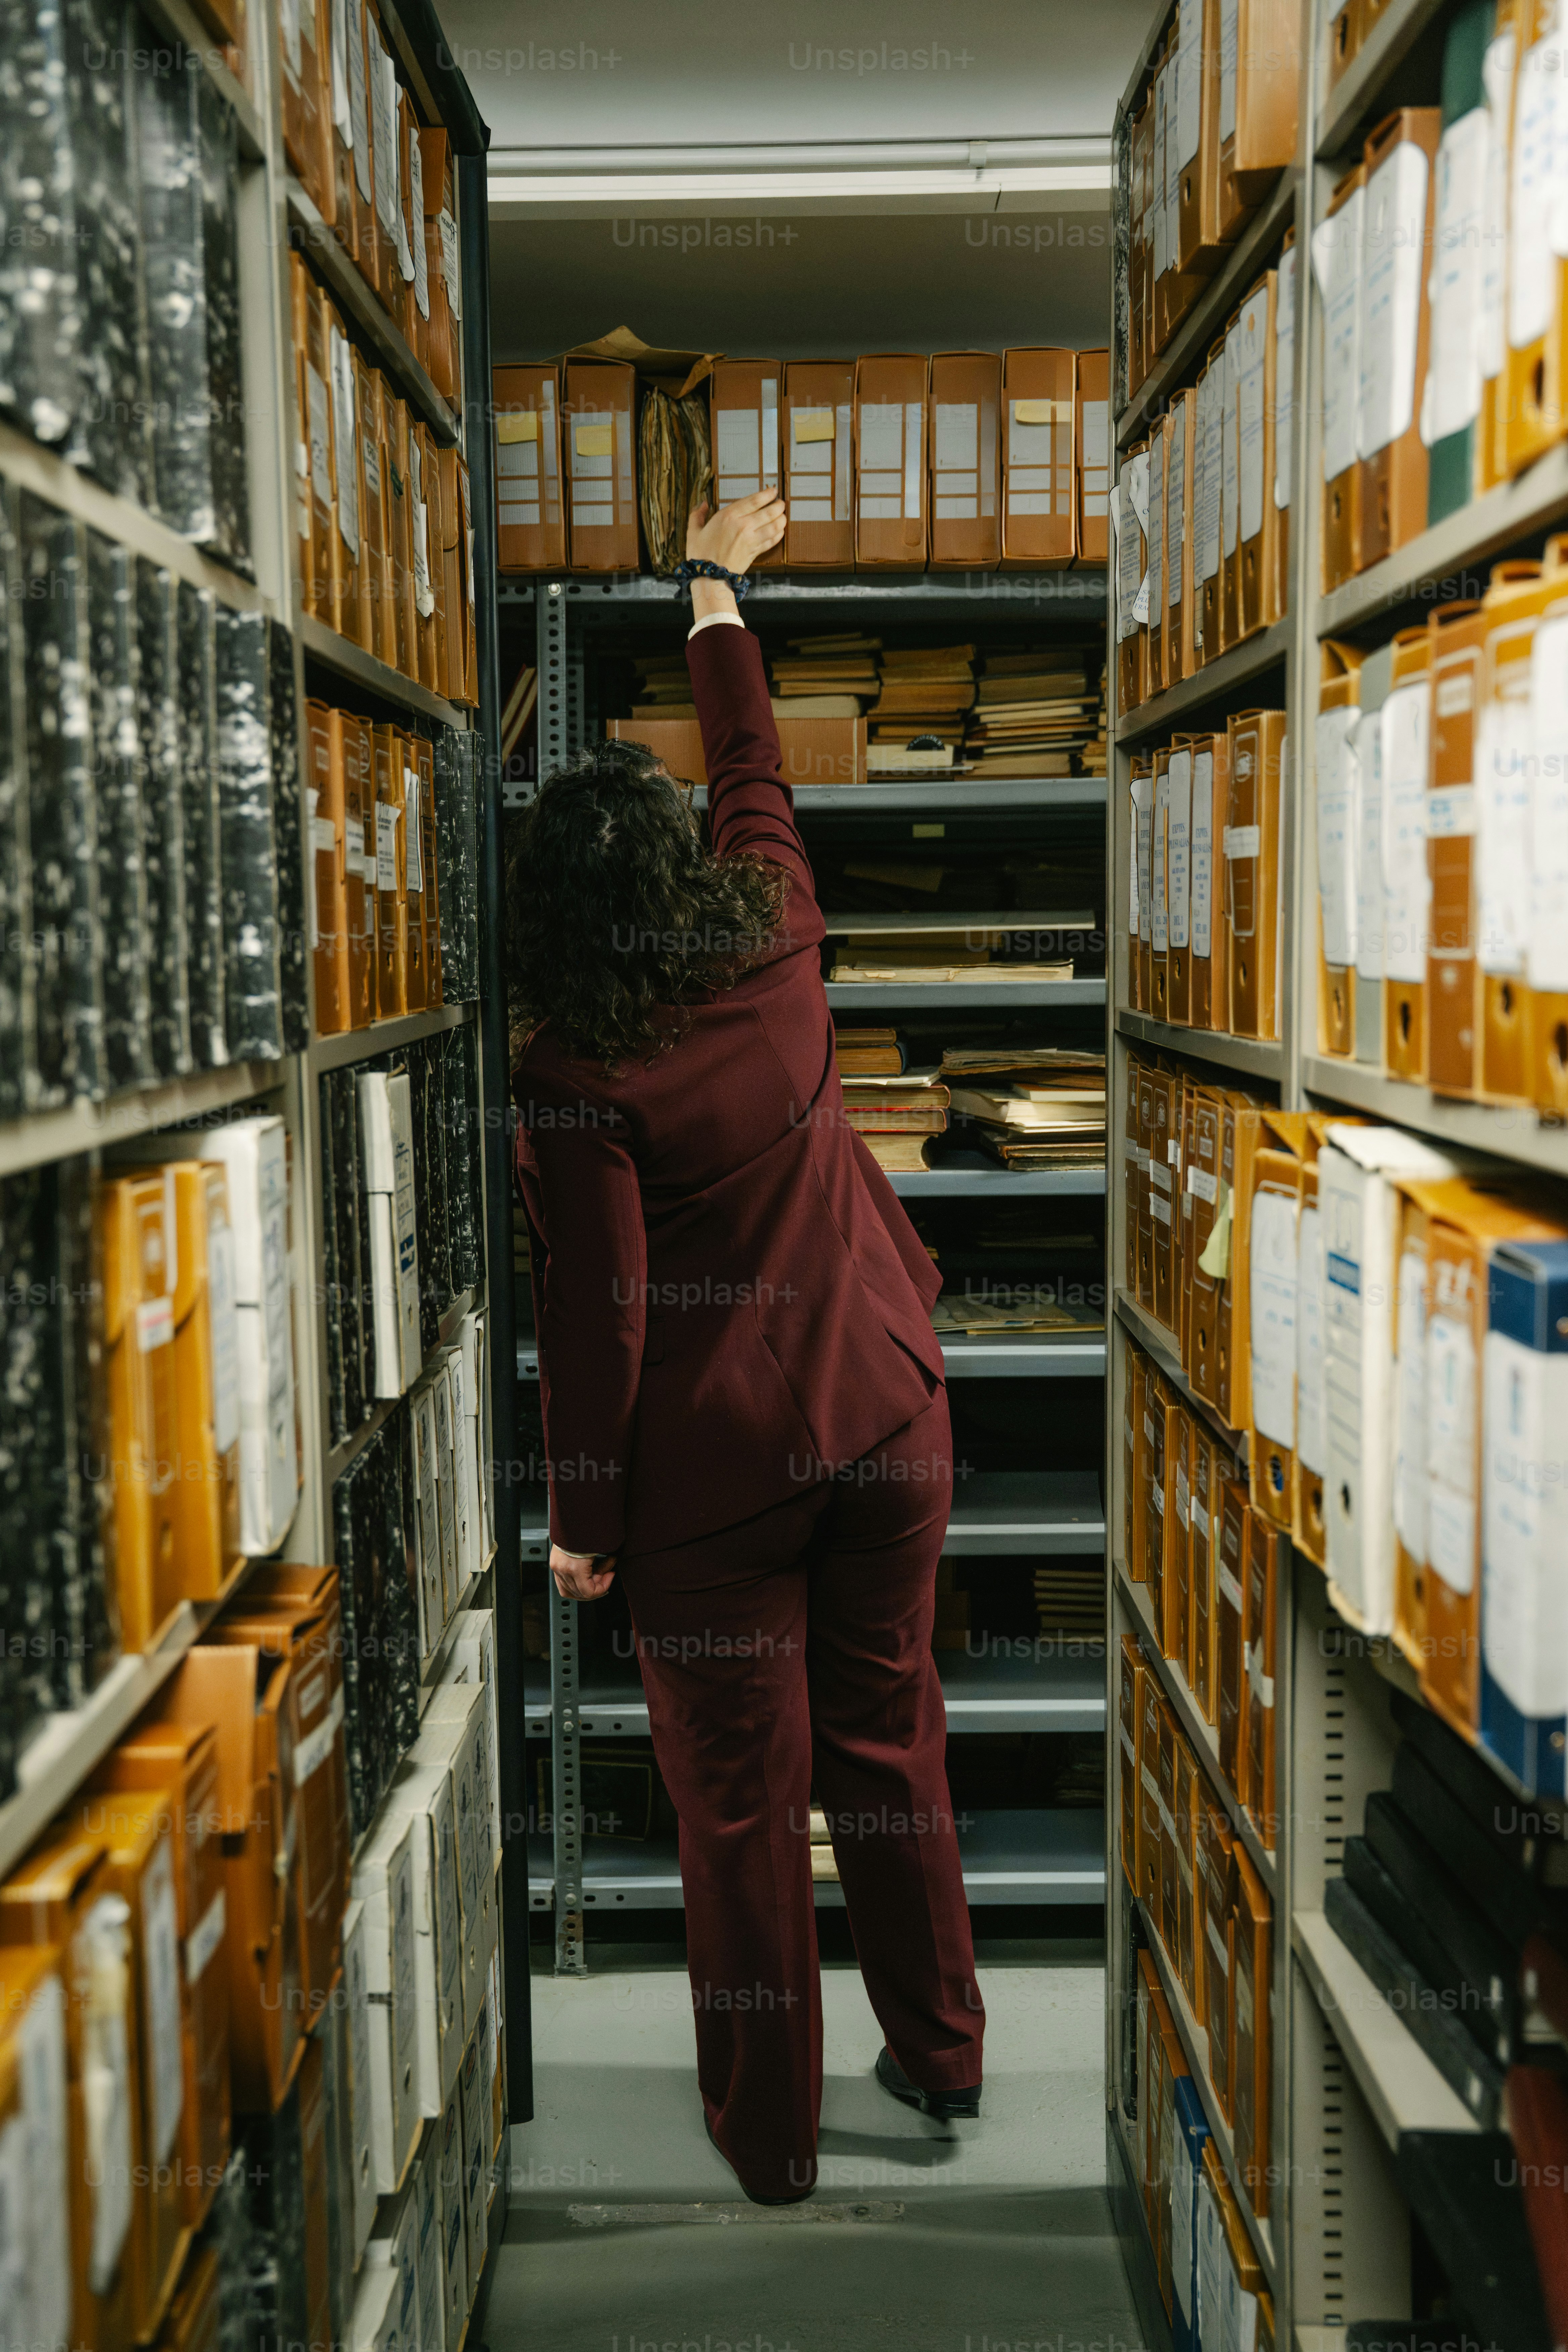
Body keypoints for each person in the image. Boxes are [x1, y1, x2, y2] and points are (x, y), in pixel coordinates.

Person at [508, 488, 984, 2203]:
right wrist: (711, 588)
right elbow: (752, 764)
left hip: (713, 1492)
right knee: (889, 1740)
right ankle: (940, 2059)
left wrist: (583, 1524)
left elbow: (600, 1316)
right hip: (881, 1414)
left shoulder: (572, 1068)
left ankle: (769, 2137)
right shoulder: (777, 927)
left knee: (737, 1806)